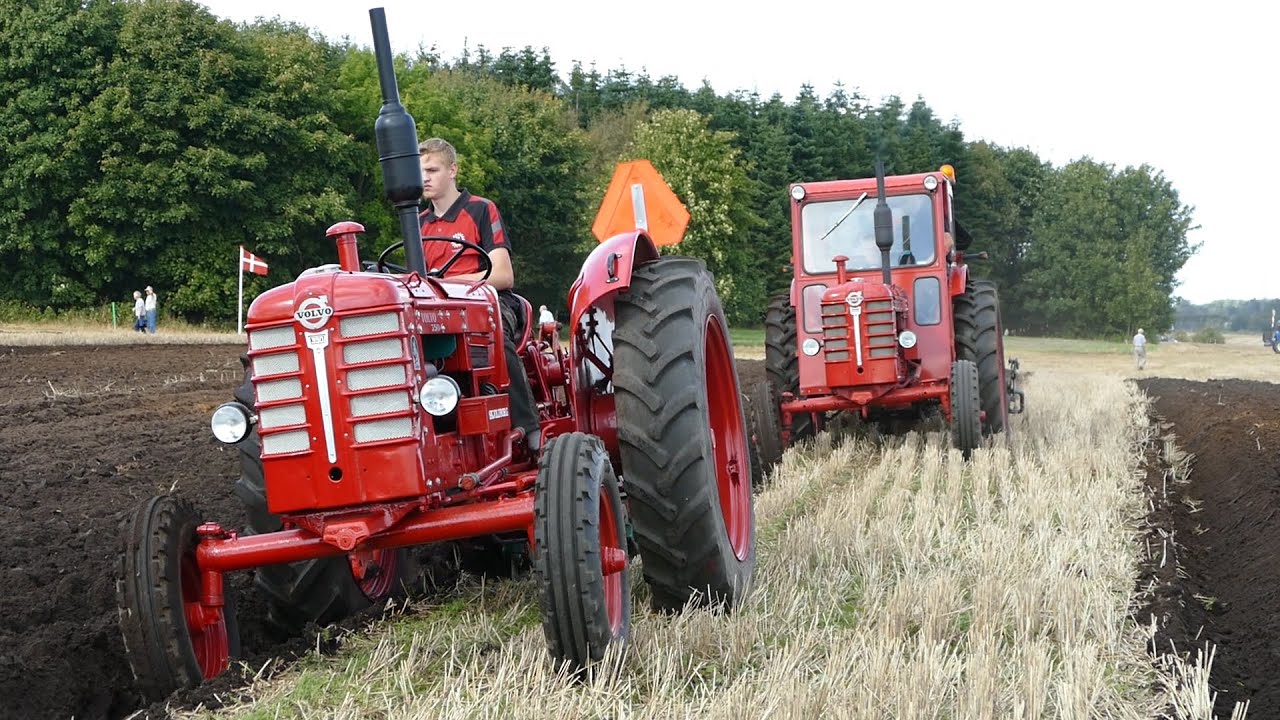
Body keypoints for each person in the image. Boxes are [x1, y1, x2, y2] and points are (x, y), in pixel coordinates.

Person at [417, 138, 540, 451]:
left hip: (488, 302)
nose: (425, 178)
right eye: (420, 172)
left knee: (491, 332)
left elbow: (501, 274)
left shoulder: (480, 210)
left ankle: (528, 426)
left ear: (453, 170)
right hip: (440, 313)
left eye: (432, 169)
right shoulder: (417, 225)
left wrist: (446, 282)